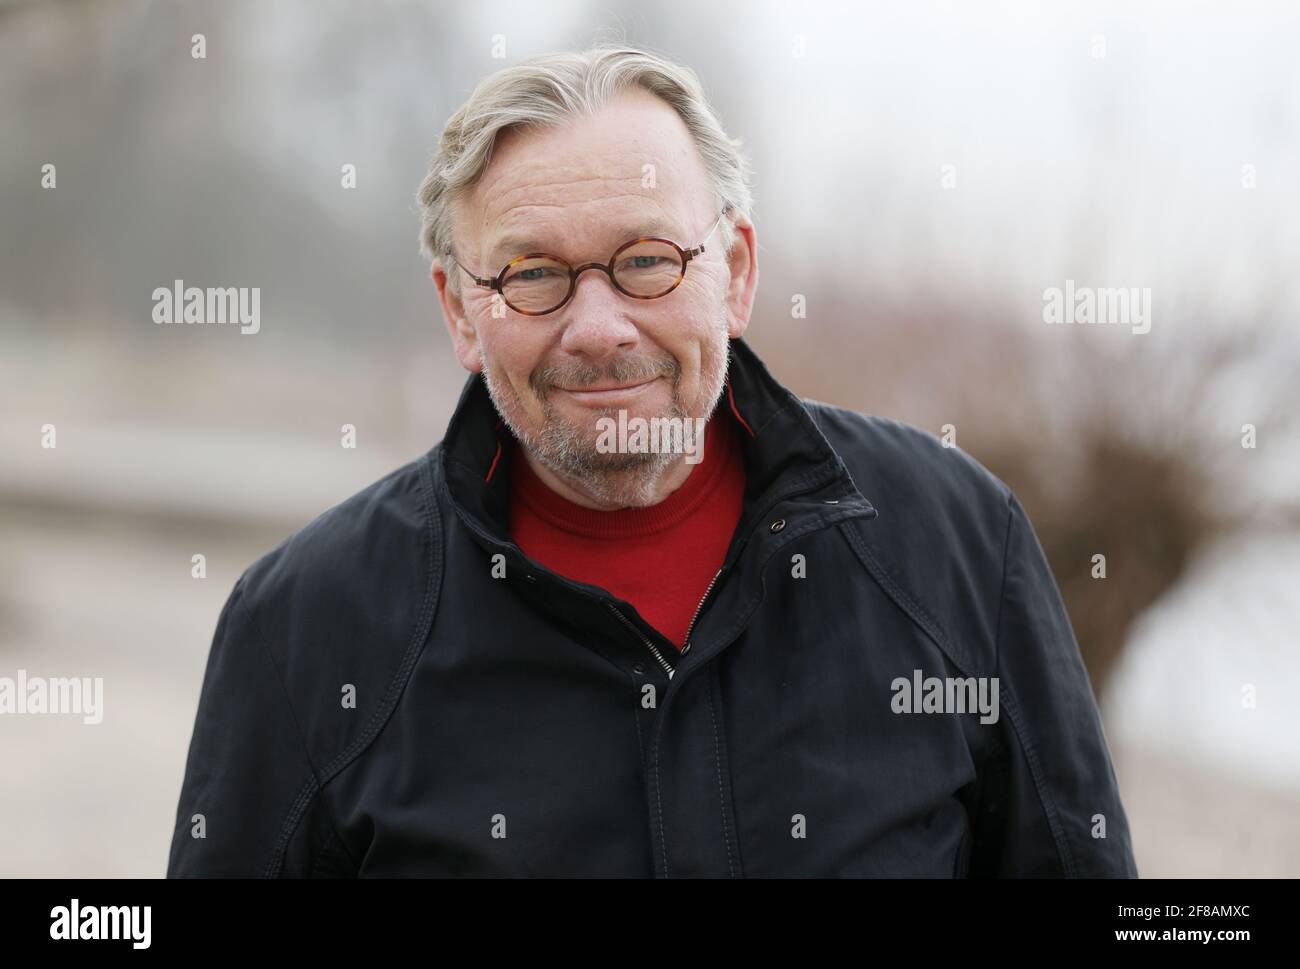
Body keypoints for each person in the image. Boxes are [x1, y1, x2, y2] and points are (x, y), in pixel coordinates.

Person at [167, 44, 1137, 878]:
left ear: (738, 272)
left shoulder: (957, 542)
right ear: (460, 309)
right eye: (533, 274)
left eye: (645, 261)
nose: (597, 329)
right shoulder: (304, 629)